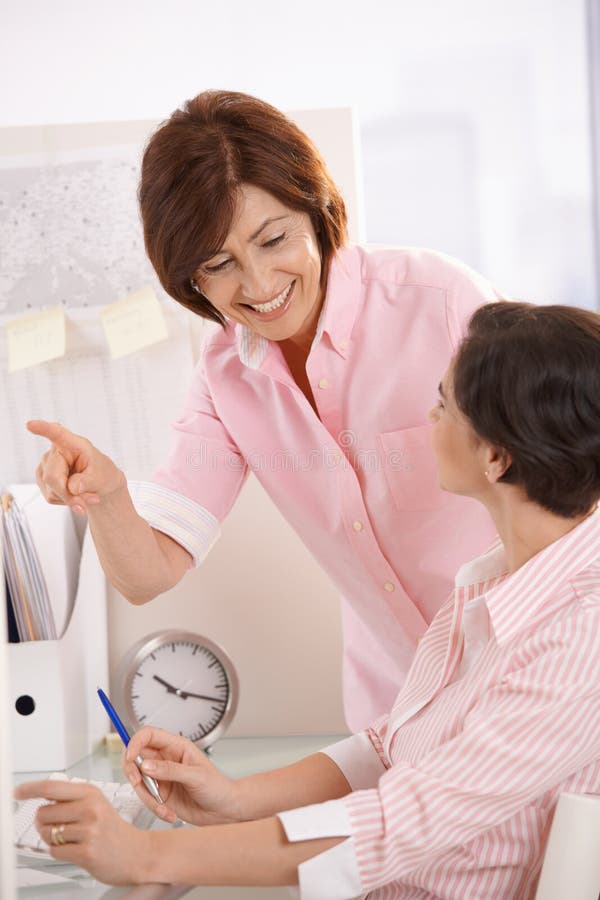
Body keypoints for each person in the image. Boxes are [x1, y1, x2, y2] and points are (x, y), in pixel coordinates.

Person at [17, 300, 600, 897]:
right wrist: (235, 797)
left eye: (444, 405)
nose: (430, 416)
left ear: (497, 458)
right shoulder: (494, 580)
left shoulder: (580, 638)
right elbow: (390, 746)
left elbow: (399, 822)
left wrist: (144, 853)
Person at [28, 90, 500, 732]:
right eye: (218, 265)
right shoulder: (226, 378)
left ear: (316, 208)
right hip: (398, 711)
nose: (257, 286)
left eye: (273, 239)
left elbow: (572, 488)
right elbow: (150, 572)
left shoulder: (441, 302)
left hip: (526, 678)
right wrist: (108, 496)